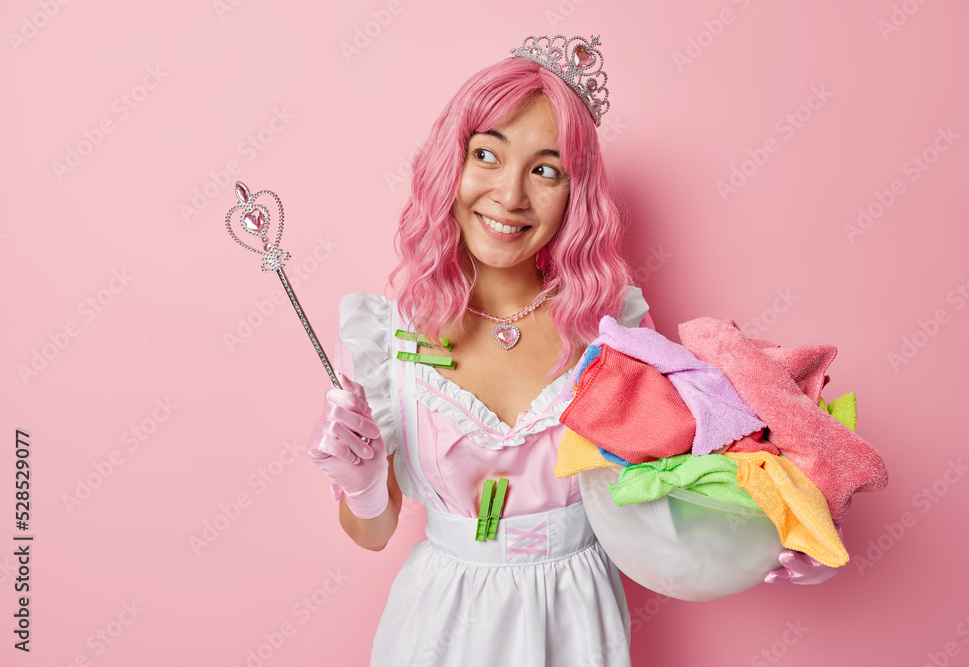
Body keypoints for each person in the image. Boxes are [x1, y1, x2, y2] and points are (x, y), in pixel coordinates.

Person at [306, 35, 834, 667]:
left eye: (545, 169)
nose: (510, 196)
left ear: (574, 193)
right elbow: (374, 533)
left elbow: (682, 485)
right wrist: (364, 486)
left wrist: (783, 532)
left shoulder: (613, 333)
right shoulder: (384, 335)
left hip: (577, 622)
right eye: (486, 155)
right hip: (438, 624)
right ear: (451, 165)